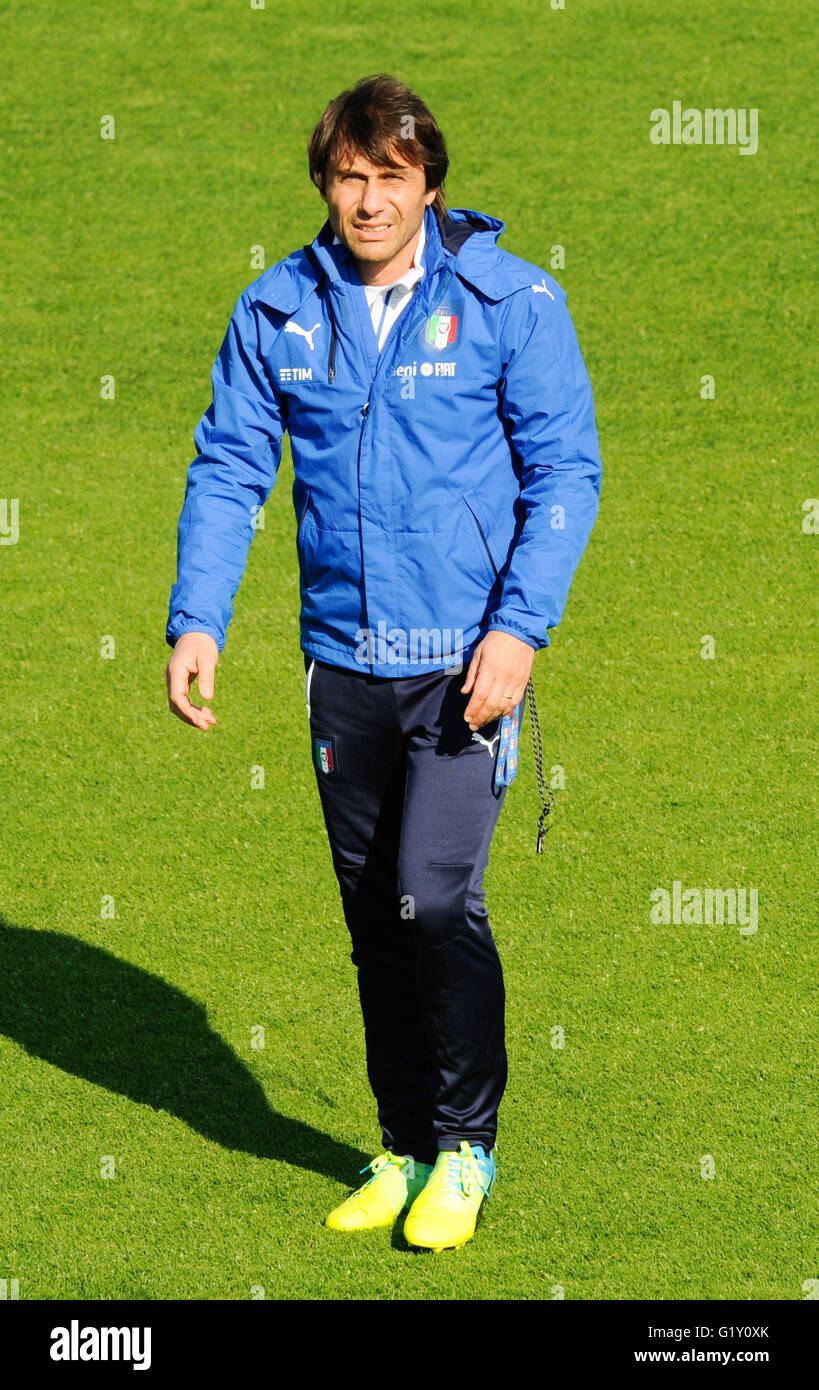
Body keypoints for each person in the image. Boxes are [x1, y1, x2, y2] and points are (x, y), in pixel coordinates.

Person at [164, 73, 602, 1253]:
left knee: (437, 894)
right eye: (349, 177)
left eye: (389, 177)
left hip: (466, 666)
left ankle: (467, 1147)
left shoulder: (511, 303)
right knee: (375, 916)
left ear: (429, 183)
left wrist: (518, 631)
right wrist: (197, 616)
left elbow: (568, 474)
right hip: (339, 666)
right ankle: (404, 1145)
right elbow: (228, 468)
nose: (367, 200)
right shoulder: (278, 311)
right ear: (327, 182)